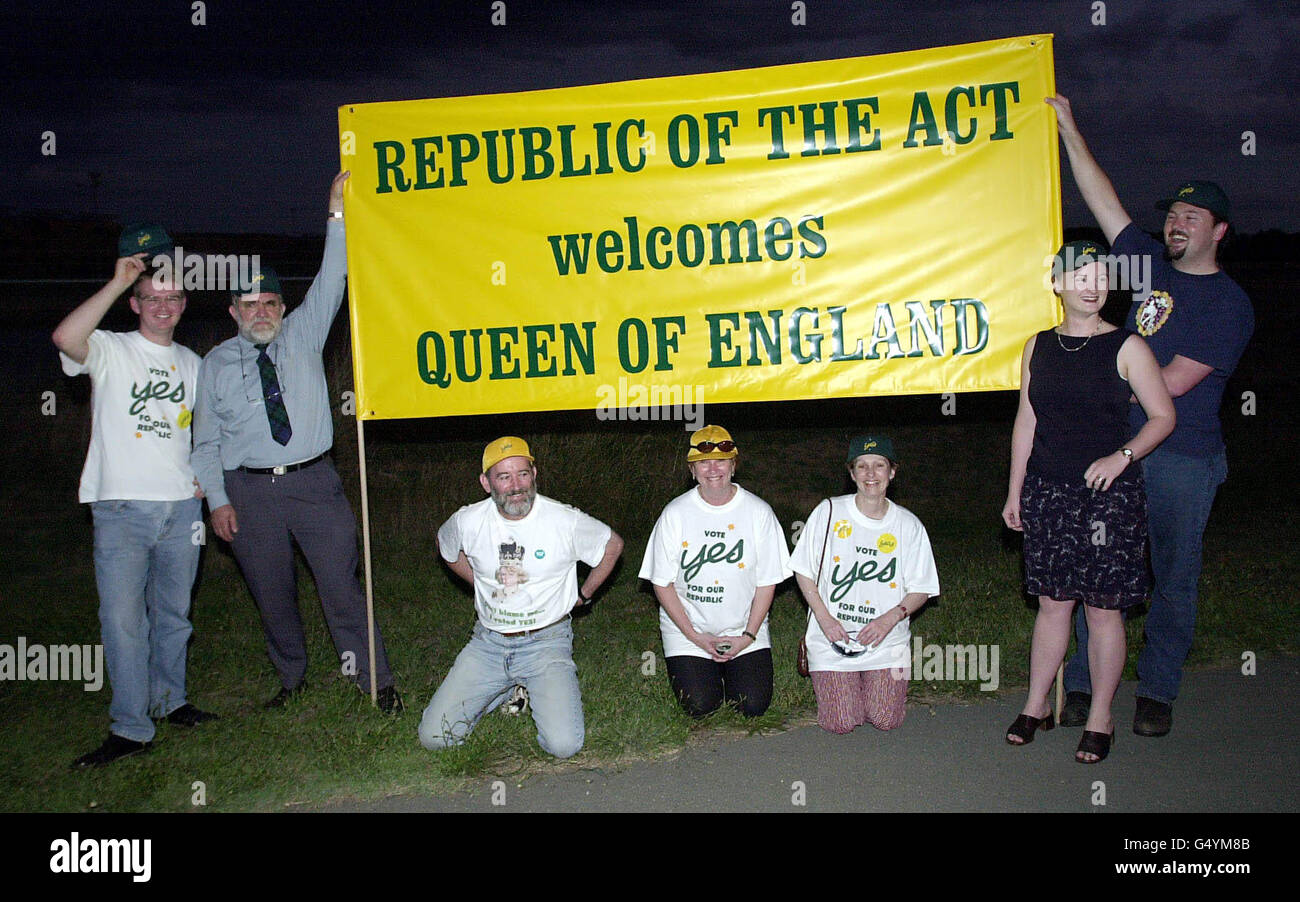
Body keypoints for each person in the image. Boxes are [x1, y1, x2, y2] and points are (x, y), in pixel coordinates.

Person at [1047, 95, 1255, 737]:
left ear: (1218, 230)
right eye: (1172, 214)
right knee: (1093, 572)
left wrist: (1083, 384)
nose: (1176, 225)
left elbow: (1162, 390)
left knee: (1171, 578)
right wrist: (1068, 129)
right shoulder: (1143, 268)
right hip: (1115, 453)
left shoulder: (1227, 305)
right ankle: (1080, 687)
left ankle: (1158, 691)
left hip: (1179, 460)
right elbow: (1103, 201)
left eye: (1192, 217)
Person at [191, 171, 401, 713]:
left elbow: (335, 274)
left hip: (314, 484)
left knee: (341, 586)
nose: (260, 313)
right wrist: (217, 501)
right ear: (233, 312)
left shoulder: (305, 333)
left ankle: (375, 682)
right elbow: (205, 442)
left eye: (270, 303)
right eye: (249, 305)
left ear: (283, 308)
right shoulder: (213, 365)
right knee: (271, 592)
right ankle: (292, 679)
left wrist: (336, 212)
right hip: (248, 492)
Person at [1002, 241, 1175, 763]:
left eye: (1101, 274)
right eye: (1080, 275)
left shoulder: (1128, 347)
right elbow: (1027, 420)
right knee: (1053, 604)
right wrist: (1015, 489)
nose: (1092, 283)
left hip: (1109, 498)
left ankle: (1101, 716)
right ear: (1056, 285)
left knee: (1103, 611)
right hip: (1048, 491)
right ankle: (1037, 705)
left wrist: (1122, 456)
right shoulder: (1038, 345)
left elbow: (1163, 417)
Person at [54, 224, 217, 768]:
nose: (163, 308)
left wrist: (205, 480)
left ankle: (172, 702)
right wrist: (115, 279)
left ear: (183, 303)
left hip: (181, 510)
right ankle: (130, 727)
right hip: (120, 507)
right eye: (152, 298)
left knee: (174, 615)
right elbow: (64, 338)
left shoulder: (194, 364)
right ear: (135, 303)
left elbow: (204, 434)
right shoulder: (108, 348)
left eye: (173, 299)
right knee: (124, 620)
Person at [418, 437, 623, 759]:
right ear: (486, 482)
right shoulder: (467, 520)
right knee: (435, 737)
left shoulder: (564, 520)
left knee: (564, 746)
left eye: (523, 474)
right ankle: (507, 689)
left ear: (534, 473)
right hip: (488, 643)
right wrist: (480, 584)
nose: (516, 486)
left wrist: (583, 594)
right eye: (504, 477)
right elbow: (448, 551)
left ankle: (528, 686)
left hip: (546, 642)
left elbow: (612, 545)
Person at [639, 426, 791, 718]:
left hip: (744, 628)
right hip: (688, 630)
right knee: (700, 705)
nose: (713, 468)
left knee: (751, 705)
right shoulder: (675, 513)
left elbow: (767, 582)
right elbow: (662, 584)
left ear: (734, 466)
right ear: (692, 470)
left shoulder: (759, 512)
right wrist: (695, 636)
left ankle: (735, 665)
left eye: (721, 460)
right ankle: (703, 667)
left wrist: (748, 635)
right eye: (704, 462)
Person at [791, 435, 940, 735]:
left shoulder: (908, 525)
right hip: (833, 637)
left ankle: (872, 677)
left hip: (886, 641)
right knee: (842, 722)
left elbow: (922, 588)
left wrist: (891, 617)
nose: (871, 474)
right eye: (862, 466)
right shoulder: (829, 511)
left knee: (886, 720)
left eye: (879, 466)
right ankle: (844, 678)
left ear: (892, 472)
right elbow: (803, 570)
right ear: (851, 473)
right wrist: (824, 618)